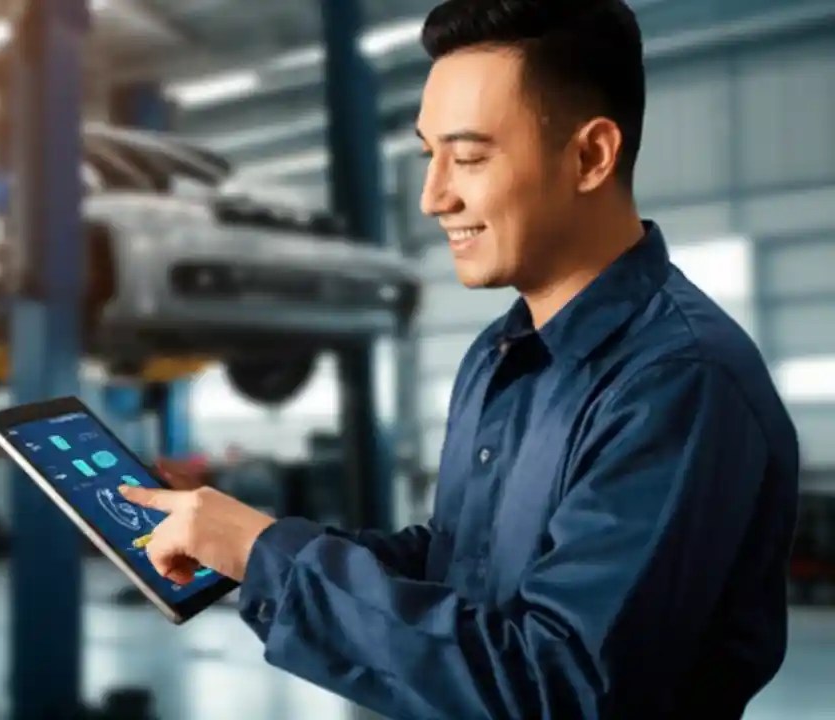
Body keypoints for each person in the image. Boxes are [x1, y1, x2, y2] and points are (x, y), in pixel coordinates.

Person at [120, 0, 802, 717]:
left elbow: (559, 686)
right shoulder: (501, 354)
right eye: (429, 155)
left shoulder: (676, 381)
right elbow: (458, 566)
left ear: (590, 156)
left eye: (469, 157)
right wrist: (250, 543)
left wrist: (275, 561)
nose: (432, 196)